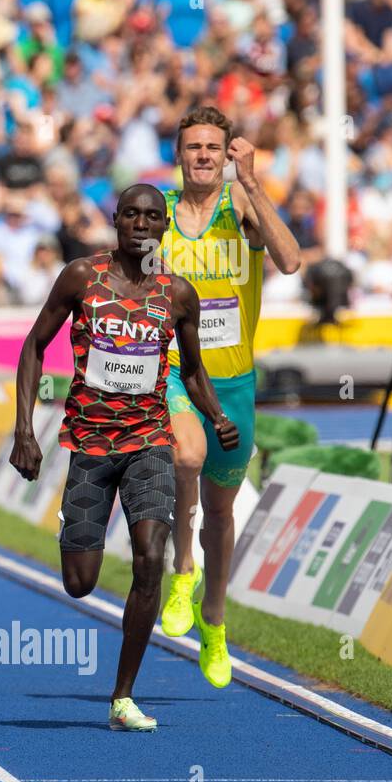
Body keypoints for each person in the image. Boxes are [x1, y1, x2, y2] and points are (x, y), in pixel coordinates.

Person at [11, 184, 239, 732]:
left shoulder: (178, 294)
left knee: (149, 555)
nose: (142, 224)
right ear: (115, 219)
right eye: (131, 214)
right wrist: (25, 428)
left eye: (152, 217)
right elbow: (34, 346)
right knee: (79, 582)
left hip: (149, 441)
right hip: (89, 444)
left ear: (163, 226)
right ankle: (76, 537)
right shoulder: (80, 277)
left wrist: (216, 415)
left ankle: (123, 696)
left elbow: (191, 369)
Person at [158, 107, 300, 688]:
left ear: (227, 153)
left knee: (220, 509)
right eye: (193, 146)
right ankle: (182, 569)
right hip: (173, 372)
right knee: (184, 456)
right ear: (179, 153)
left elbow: (291, 261)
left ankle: (214, 620)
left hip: (234, 381)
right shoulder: (157, 210)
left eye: (214, 147)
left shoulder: (240, 206)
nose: (203, 156)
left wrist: (255, 186)